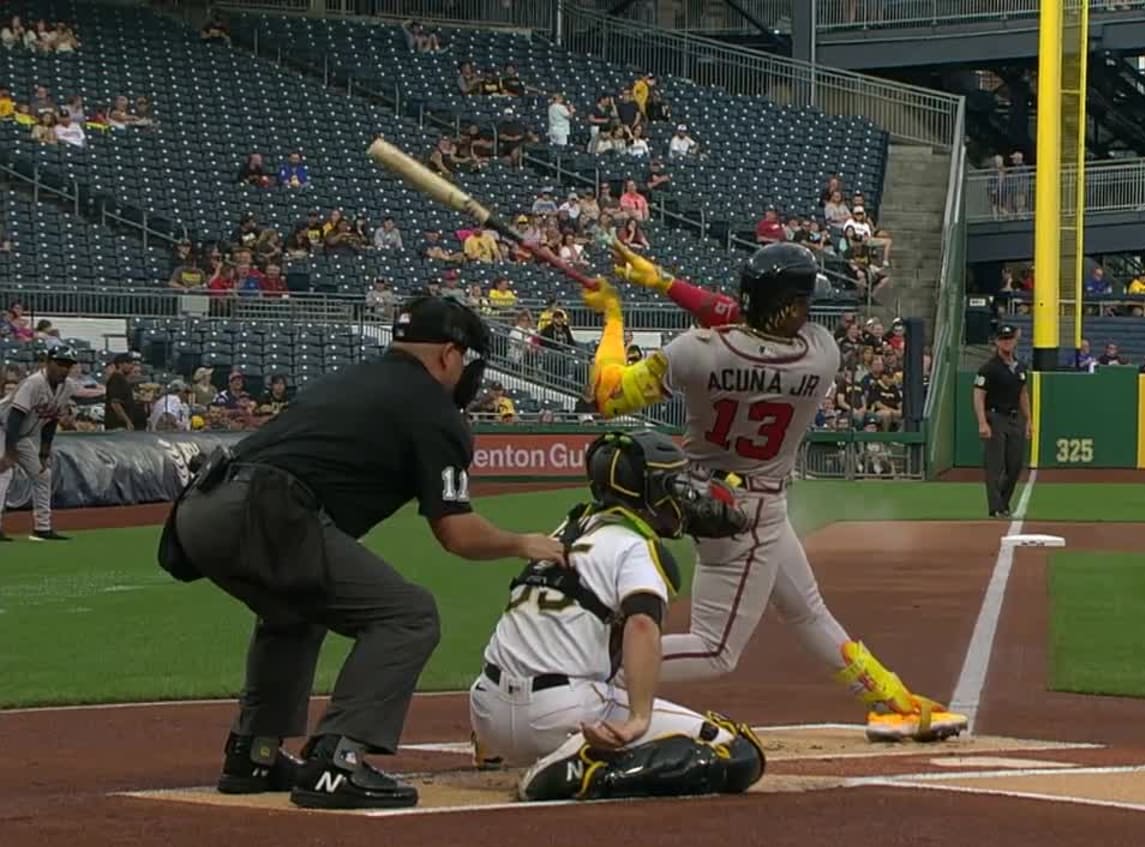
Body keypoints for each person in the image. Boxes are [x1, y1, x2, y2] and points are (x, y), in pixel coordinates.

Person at [156, 296, 565, 811]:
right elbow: (457, 533)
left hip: (199, 510)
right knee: (409, 616)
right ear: (448, 355)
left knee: (292, 613)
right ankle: (337, 759)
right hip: (266, 508)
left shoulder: (351, 379)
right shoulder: (433, 410)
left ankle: (254, 753)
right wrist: (521, 542)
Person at [586, 240, 969, 743]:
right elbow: (739, 316)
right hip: (752, 510)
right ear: (788, 307)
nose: (810, 309)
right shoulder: (820, 356)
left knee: (806, 608)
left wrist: (615, 314)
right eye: (803, 301)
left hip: (704, 497)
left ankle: (890, 700)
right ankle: (595, 668)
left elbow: (607, 394)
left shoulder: (696, 353)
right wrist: (661, 280)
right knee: (715, 649)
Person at [471, 429, 765, 802]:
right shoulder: (635, 547)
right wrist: (638, 719)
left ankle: (491, 747)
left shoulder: (569, 527)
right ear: (648, 491)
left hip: (487, 710)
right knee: (739, 753)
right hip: (561, 714)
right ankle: (587, 768)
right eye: (670, 483)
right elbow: (642, 624)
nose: (677, 494)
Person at [0, 344, 104, 541]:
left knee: (42, 475)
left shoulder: (68, 386)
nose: (64, 368)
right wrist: (10, 453)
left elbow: (52, 418)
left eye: (68, 365)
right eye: (60, 363)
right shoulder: (34, 383)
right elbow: (15, 417)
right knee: (4, 472)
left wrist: (44, 451)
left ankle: (42, 528)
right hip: (4, 428)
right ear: (47, 363)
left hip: (21, 435)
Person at [973, 325, 1032, 518]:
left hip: (1015, 418)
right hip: (995, 417)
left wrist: (1029, 420)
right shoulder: (988, 368)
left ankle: (1004, 503)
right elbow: (979, 395)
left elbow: (1023, 394)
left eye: (1010, 338)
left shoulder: (1021, 367)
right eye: (1003, 339)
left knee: (1015, 465)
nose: (1007, 342)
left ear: (1015, 341)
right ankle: (995, 507)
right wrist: (982, 422)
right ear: (997, 342)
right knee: (995, 465)